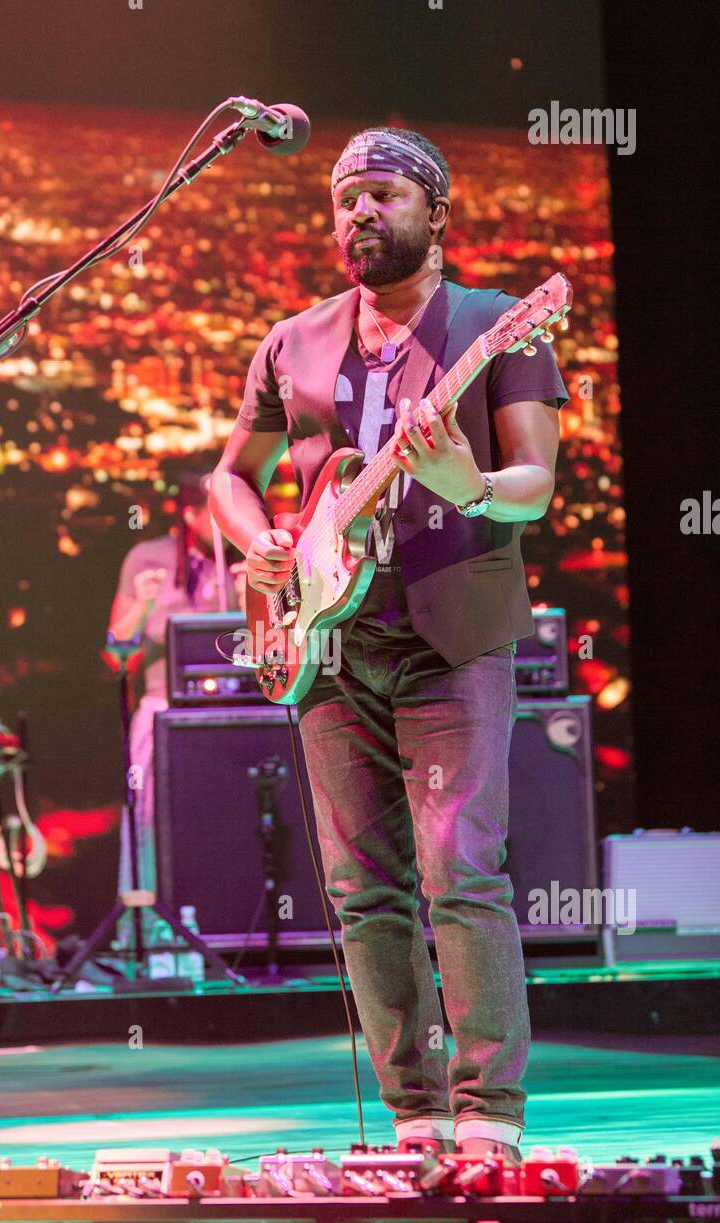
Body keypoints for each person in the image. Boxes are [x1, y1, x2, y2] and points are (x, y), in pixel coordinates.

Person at [210, 128, 568, 1161]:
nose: (356, 213)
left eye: (379, 194)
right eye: (341, 198)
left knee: (459, 866)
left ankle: (488, 1116)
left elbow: (532, 486)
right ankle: (412, 1113)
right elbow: (233, 476)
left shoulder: (495, 326)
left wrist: (463, 484)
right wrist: (262, 543)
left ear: (435, 214)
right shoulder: (294, 340)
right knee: (361, 886)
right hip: (325, 643)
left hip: (450, 637)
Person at [107, 472, 240, 967]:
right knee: (147, 817)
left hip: (239, 712)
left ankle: (240, 926)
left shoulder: (250, 552)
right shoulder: (148, 559)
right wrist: (141, 606)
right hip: (165, 710)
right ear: (190, 514)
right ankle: (148, 933)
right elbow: (117, 656)